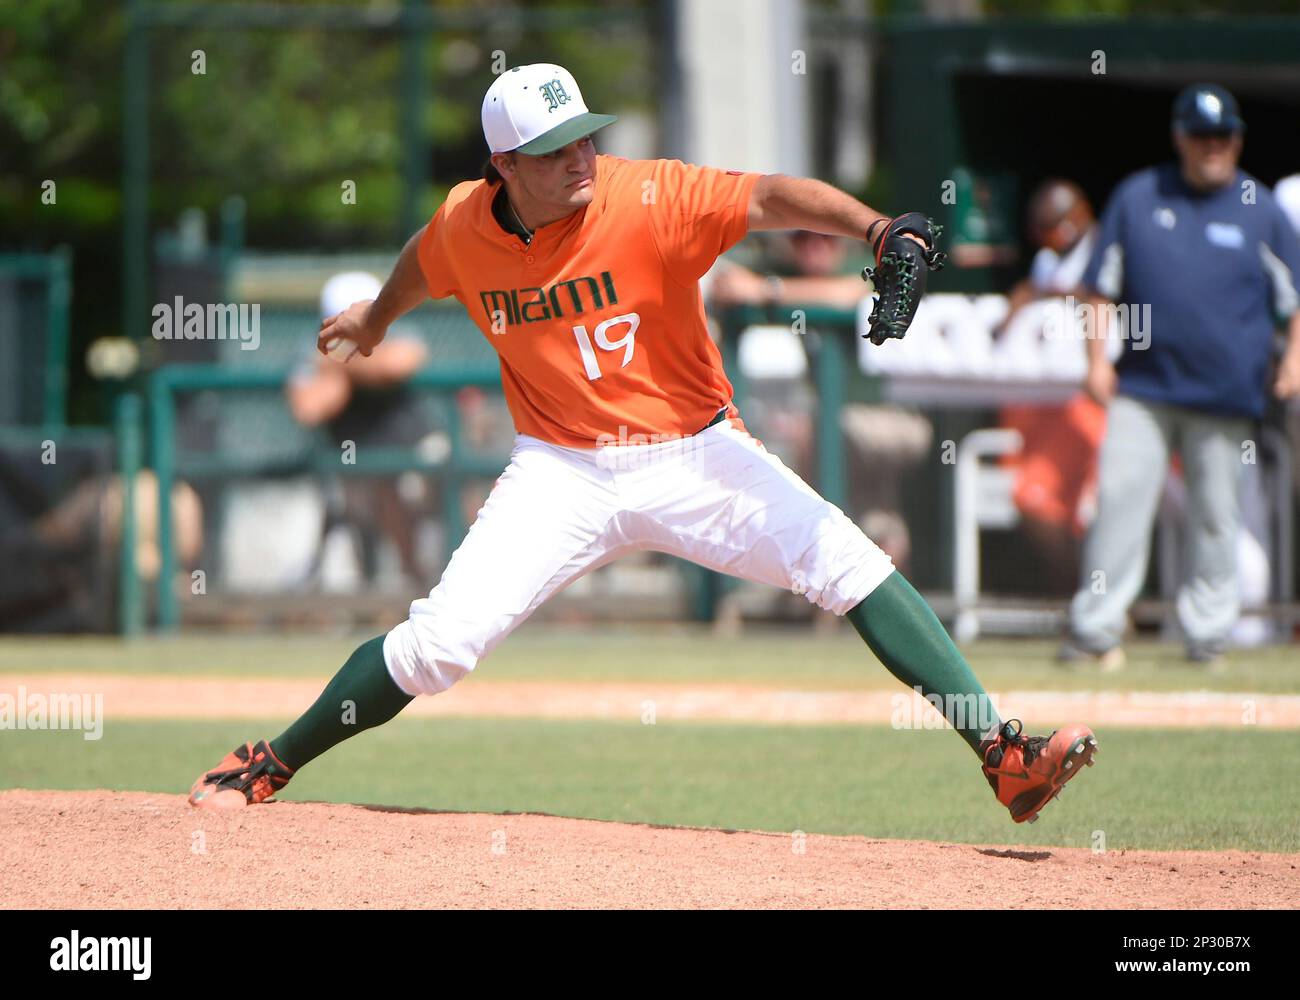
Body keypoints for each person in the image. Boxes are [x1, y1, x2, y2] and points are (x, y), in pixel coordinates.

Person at [188, 63, 1098, 824]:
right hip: (561, 468)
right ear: (504, 163)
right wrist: (375, 320)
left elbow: (771, 196)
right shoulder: (467, 223)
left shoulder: (647, 195)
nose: (582, 154)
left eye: (586, 133)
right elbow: (421, 267)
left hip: (695, 454)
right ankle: (273, 760)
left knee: (845, 560)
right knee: (438, 649)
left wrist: (875, 226)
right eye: (555, 147)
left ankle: (1002, 752)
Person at [1061, 84, 1300, 668]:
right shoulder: (1140, 196)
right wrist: (1095, 360)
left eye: (1222, 136)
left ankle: (1208, 635)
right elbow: (1098, 288)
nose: (1212, 147)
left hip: (1225, 394)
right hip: (1143, 387)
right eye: (1201, 135)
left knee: (1218, 515)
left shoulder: (1259, 206)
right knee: (1119, 502)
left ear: (1238, 139)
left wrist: (1294, 360)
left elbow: (1295, 296)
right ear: (1180, 137)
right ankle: (1095, 630)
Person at [708, 231, 932, 574]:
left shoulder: (863, 263)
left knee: (829, 468)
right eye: (802, 238)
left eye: (825, 238)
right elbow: (727, 280)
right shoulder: (782, 268)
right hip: (831, 421)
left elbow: (846, 295)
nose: (814, 246)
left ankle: (823, 576)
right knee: (869, 516)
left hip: (892, 418)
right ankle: (822, 585)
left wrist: (767, 289)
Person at [286, 272, 439, 588]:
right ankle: (414, 584)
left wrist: (341, 362)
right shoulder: (312, 348)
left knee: (462, 483)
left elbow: (401, 363)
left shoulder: (390, 333)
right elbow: (310, 407)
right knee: (381, 491)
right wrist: (353, 366)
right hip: (357, 464)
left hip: (418, 447)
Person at [997, 181, 1108, 596]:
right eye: (1043, 229)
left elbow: (1109, 299)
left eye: (1058, 226)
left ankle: (1105, 603)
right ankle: (1076, 598)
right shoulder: (1046, 262)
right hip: (1045, 411)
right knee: (1033, 500)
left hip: (1101, 405)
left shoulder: (1107, 251)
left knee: (1097, 509)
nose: (1051, 237)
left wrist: (1035, 294)